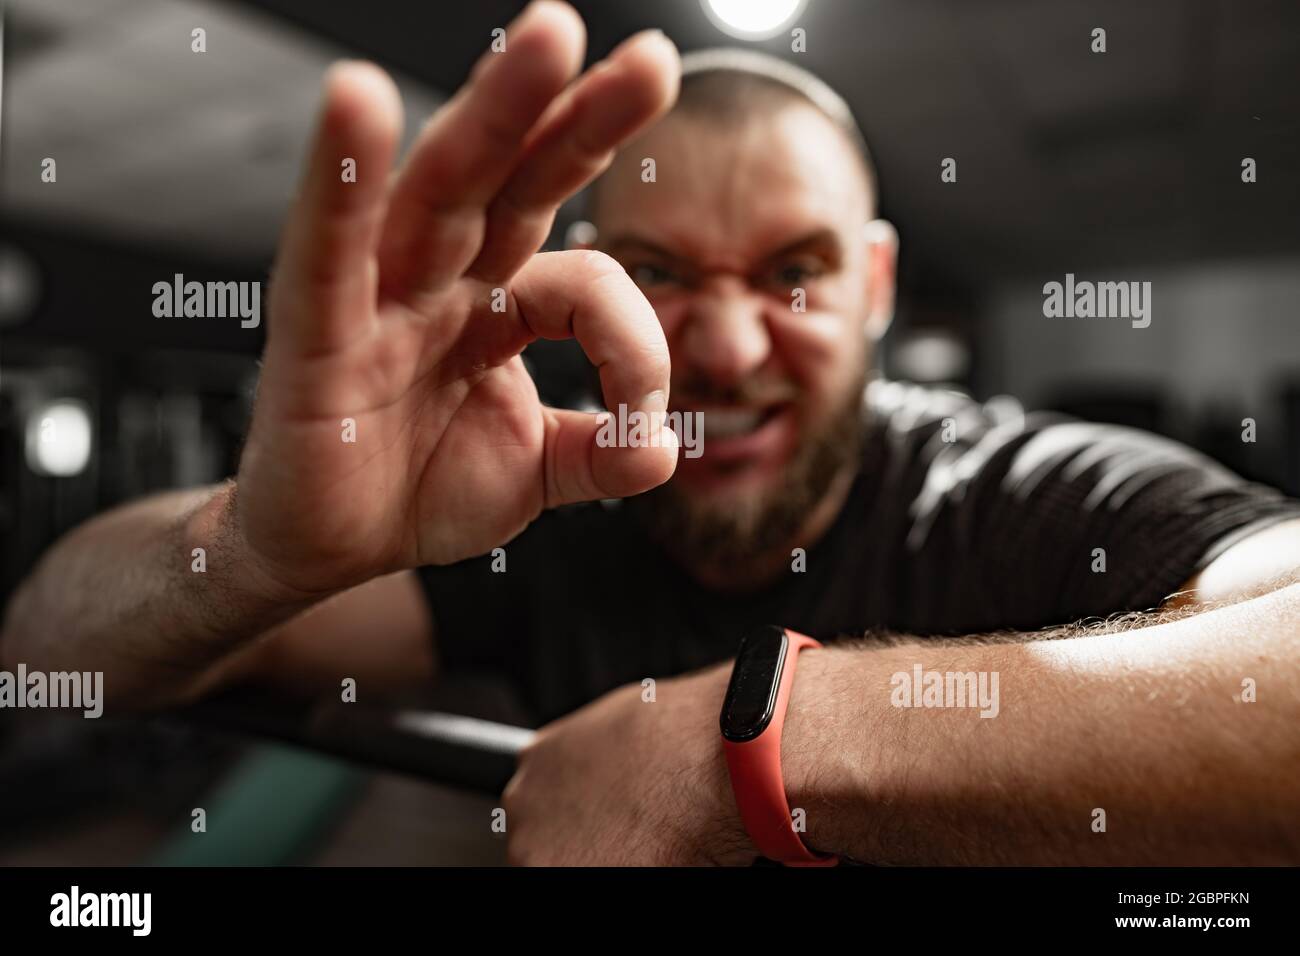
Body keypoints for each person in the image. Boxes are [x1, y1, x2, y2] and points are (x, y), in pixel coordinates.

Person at [3, 1, 1298, 865]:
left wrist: (753, 745)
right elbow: (47, 659)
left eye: (794, 271)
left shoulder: (1011, 494)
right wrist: (258, 551)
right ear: (591, 281)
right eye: (667, 275)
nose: (728, 349)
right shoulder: (554, 511)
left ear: (878, 289)